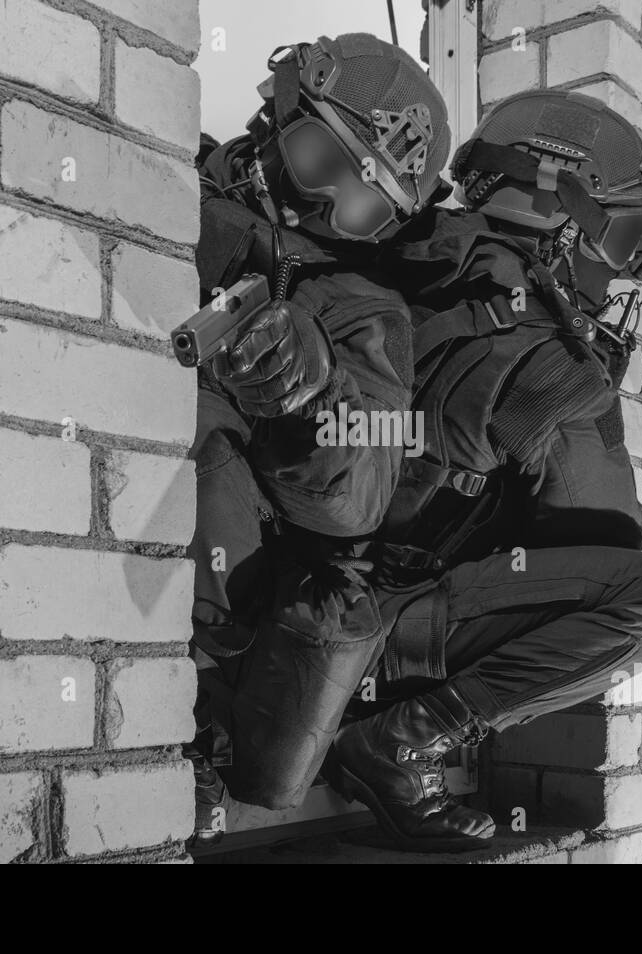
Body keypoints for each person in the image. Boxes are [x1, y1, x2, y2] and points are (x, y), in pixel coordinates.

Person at [323, 89, 642, 852]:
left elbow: (615, 222)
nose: (620, 257)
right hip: (378, 623)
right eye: (612, 229)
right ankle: (397, 741)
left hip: (347, 596)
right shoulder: (539, 354)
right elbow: (603, 535)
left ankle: (378, 719)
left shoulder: (447, 264)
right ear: (553, 202)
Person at [185, 33, 451, 844]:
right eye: (318, 161)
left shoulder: (364, 307)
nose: (321, 206)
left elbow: (359, 494)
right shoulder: (168, 173)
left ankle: (195, 735)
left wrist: (315, 385)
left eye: (361, 205)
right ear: (279, 113)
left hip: (206, 609)